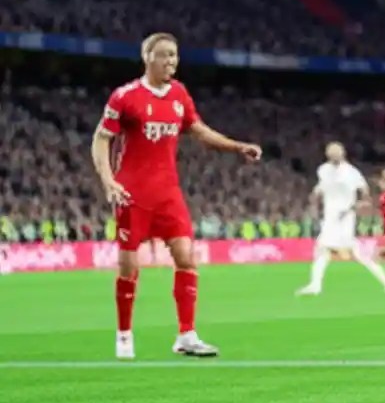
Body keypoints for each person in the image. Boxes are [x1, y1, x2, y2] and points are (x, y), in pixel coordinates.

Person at [91, 32, 262, 360]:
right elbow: (101, 139)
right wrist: (108, 180)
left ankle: (187, 334)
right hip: (133, 192)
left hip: (168, 191)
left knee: (186, 256)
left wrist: (236, 146)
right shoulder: (125, 96)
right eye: (164, 55)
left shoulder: (180, 94)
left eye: (175, 55)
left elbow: (198, 129)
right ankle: (124, 335)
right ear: (148, 57)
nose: (171, 61)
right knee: (128, 267)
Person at [296, 142, 385, 296]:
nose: (333, 155)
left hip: (345, 218)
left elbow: (364, 192)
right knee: (323, 250)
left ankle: (384, 279)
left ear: (342, 154)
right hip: (329, 218)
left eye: (336, 152)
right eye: (331, 153)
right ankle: (315, 285)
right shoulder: (324, 170)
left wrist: (355, 206)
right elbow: (322, 186)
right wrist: (315, 195)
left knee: (354, 254)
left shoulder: (351, 172)